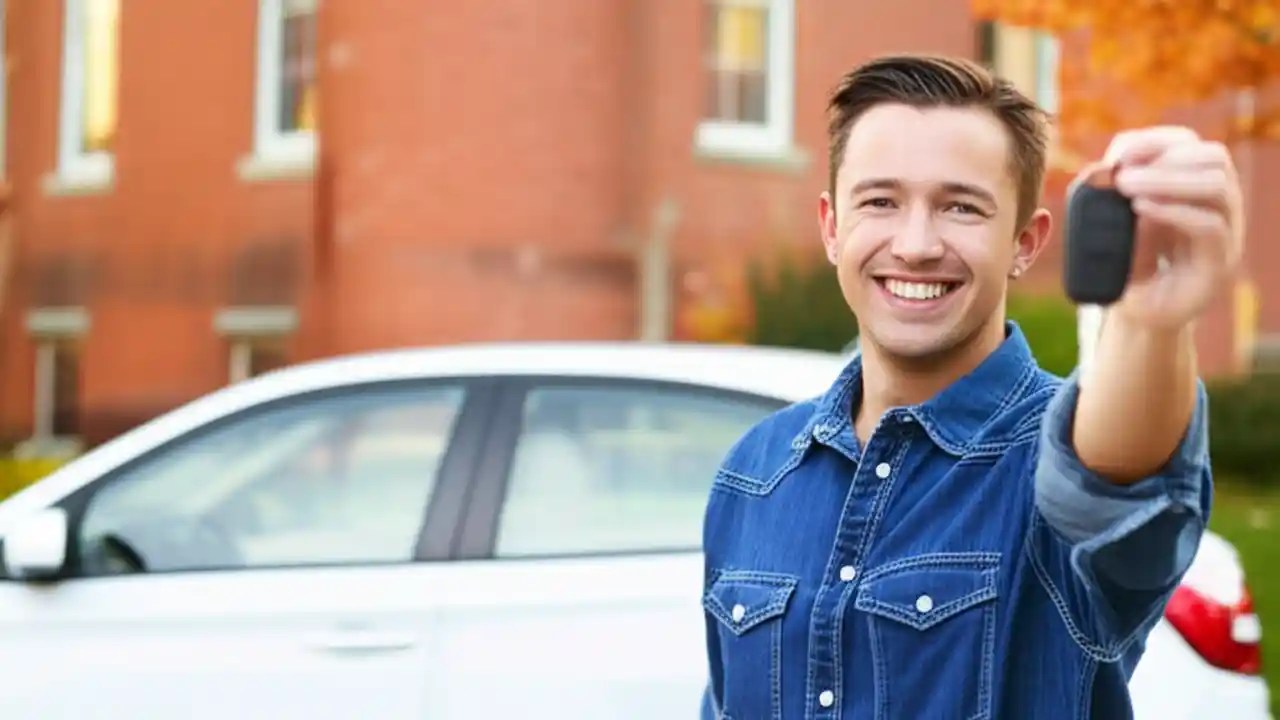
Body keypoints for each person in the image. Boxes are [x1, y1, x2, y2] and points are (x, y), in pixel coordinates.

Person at [699, 53, 1242, 720]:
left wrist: (1150, 323)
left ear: (1025, 241)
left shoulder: (1054, 451)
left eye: (960, 206)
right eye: (880, 201)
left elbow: (1114, 484)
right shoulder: (754, 472)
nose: (917, 243)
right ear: (832, 226)